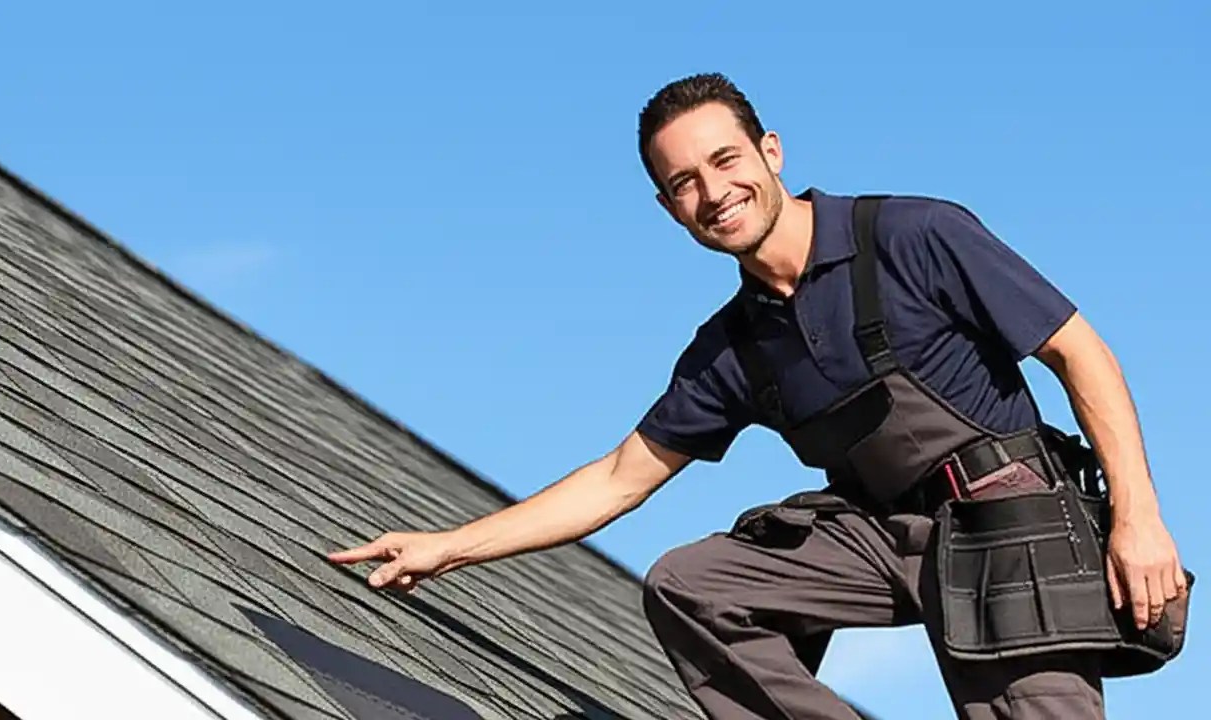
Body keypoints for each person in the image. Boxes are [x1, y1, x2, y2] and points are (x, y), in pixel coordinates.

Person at [328, 73, 1189, 719]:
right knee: (691, 585)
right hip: (879, 535)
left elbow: (1083, 355)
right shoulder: (732, 349)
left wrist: (1137, 518)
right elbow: (618, 479)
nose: (712, 192)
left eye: (725, 160)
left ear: (770, 152)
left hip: (1009, 532)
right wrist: (450, 548)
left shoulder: (916, 234)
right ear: (667, 208)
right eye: (683, 183)